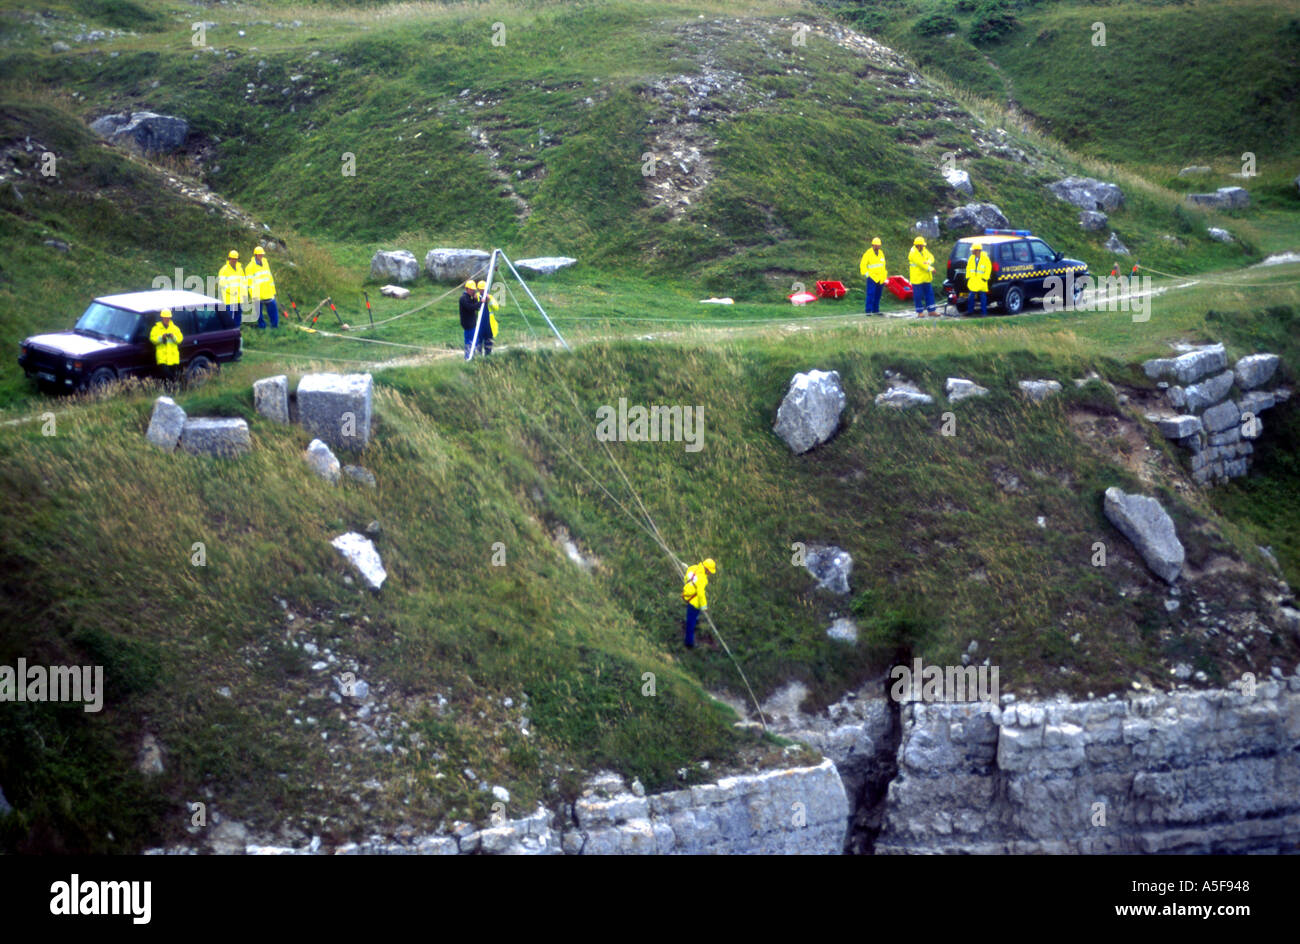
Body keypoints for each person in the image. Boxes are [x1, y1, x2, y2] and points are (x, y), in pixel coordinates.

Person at [681, 558, 717, 649]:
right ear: (706, 569)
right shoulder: (702, 579)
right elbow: (701, 595)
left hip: (689, 597)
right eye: (709, 571)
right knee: (691, 622)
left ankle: (695, 622)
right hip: (695, 603)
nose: (710, 573)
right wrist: (704, 607)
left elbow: (686, 578)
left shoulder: (693, 568)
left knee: (692, 618)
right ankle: (689, 643)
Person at [245, 246, 279, 329]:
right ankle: (262, 327)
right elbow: (249, 284)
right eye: (259, 254)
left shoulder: (265, 263)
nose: (261, 256)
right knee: (258, 313)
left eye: (262, 254)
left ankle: (274, 326)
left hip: (268, 292)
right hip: (257, 294)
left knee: (273, 310)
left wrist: (273, 291)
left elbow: (270, 278)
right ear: (255, 255)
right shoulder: (249, 267)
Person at [149, 308, 183, 386]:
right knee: (166, 376)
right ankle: (172, 389)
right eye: (165, 317)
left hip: (173, 358)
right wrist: (162, 337)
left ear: (170, 318)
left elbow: (180, 340)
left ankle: (172, 390)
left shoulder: (175, 328)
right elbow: (152, 339)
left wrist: (173, 337)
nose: (167, 319)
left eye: (168, 317)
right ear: (162, 318)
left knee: (172, 377)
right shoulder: (156, 328)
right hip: (162, 358)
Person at [908, 236, 938, 317]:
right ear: (918, 245)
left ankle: (931, 311)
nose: (924, 247)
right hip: (917, 278)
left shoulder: (924, 250)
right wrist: (931, 268)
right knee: (918, 296)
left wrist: (928, 262)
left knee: (929, 294)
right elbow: (921, 264)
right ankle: (920, 312)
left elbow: (931, 257)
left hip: (926, 277)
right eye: (922, 245)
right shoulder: (913, 253)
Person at [860, 237, 887, 315]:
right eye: (876, 245)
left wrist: (884, 276)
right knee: (870, 294)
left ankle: (876, 310)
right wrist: (867, 274)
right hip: (872, 277)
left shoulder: (881, 253)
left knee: (878, 295)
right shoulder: (868, 254)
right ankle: (868, 310)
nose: (877, 247)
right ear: (872, 245)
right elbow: (863, 265)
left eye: (879, 245)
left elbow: (883, 265)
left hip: (880, 278)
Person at [217, 250, 246, 325]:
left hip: (239, 299)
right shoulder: (223, 270)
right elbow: (223, 284)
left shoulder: (240, 269)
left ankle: (236, 331)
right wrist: (232, 291)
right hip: (229, 299)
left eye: (235, 259)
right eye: (232, 259)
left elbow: (243, 283)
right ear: (229, 259)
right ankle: (229, 333)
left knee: (238, 317)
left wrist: (244, 294)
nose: (234, 260)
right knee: (229, 319)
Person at [966, 242, 992, 317]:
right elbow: (968, 268)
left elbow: (988, 269)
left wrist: (985, 278)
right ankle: (970, 311)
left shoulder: (985, 259)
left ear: (978, 250)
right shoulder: (971, 258)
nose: (972, 251)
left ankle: (984, 313)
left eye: (973, 250)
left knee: (982, 297)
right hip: (973, 281)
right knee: (971, 297)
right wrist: (968, 277)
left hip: (981, 282)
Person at [475, 280, 499, 356]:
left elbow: (496, 308)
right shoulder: (476, 297)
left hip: (489, 325)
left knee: (488, 344)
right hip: (479, 324)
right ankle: (478, 358)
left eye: (484, 289)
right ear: (478, 289)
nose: (483, 291)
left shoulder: (490, 297)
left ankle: (488, 358)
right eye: (482, 289)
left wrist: (490, 301)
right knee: (478, 343)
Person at [458, 279, 480, 359]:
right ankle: (468, 357)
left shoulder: (469, 298)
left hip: (471, 323)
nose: (473, 291)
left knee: (473, 341)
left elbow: (474, 307)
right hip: (468, 324)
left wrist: (474, 299)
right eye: (471, 290)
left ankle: (471, 356)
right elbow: (471, 307)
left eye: (473, 290)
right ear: (466, 289)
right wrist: (481, 302)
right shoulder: (463, 298)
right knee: (471, 342)